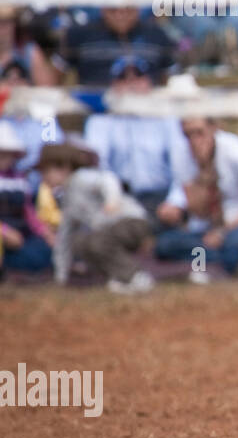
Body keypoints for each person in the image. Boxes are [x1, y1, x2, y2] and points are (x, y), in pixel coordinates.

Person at [37, 142, 155, 293]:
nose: (43, 178)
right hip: (109, 231)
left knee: (97, 242)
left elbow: (108, 180)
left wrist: (112, 201)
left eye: (46, 172)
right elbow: (63, 240)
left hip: (132, 222)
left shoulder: (81, 178)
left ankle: (136, 276)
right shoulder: (68, 202)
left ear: (64, 167)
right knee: (81, 243)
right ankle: (120, 278)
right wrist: (61, 277)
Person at [82, 59, 188, 216]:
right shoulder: (100, 120)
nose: (131, 83)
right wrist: (112, 198)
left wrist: (175, 202)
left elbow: (182, 167)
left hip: (161, 197)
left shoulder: (167, 118)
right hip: (119, 198)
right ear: (113, 85)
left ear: (149, 83)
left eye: (138, 76)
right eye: (123, 78)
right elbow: (98, 165)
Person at [155, 117, 238, 278]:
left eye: (199, 133)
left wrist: (221, 232)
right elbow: (198, 211)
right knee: (164, 245)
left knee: (233, 246)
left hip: (236, 222)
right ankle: (209, 267)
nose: (193, 141)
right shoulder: (181, 153)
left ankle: (204, 264)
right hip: (203, 228)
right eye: (188, 135)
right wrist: (202, 171)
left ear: (214, 128)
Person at [59, 5, 176, 87]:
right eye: (113, 9)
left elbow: (171, 82)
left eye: (128, 9)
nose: (120, 15)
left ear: (138, 8)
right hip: (97, 114)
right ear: (103, 8)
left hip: (149, 113)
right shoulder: (79, 34)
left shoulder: (157, 35)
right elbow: (52, 81)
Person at [0, 119, 54, 275]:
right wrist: (4, 231)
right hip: (4, 237)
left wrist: (44, 231)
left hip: (21, 233)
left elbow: (28, 210)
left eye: (7, 154)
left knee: (43, 253)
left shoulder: (20, 179)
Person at [0, 7, 58, 85]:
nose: (2, 28)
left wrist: (25, 87)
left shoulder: (29, 50)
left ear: (14, 24)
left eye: (6, 22)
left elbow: (47, 88)